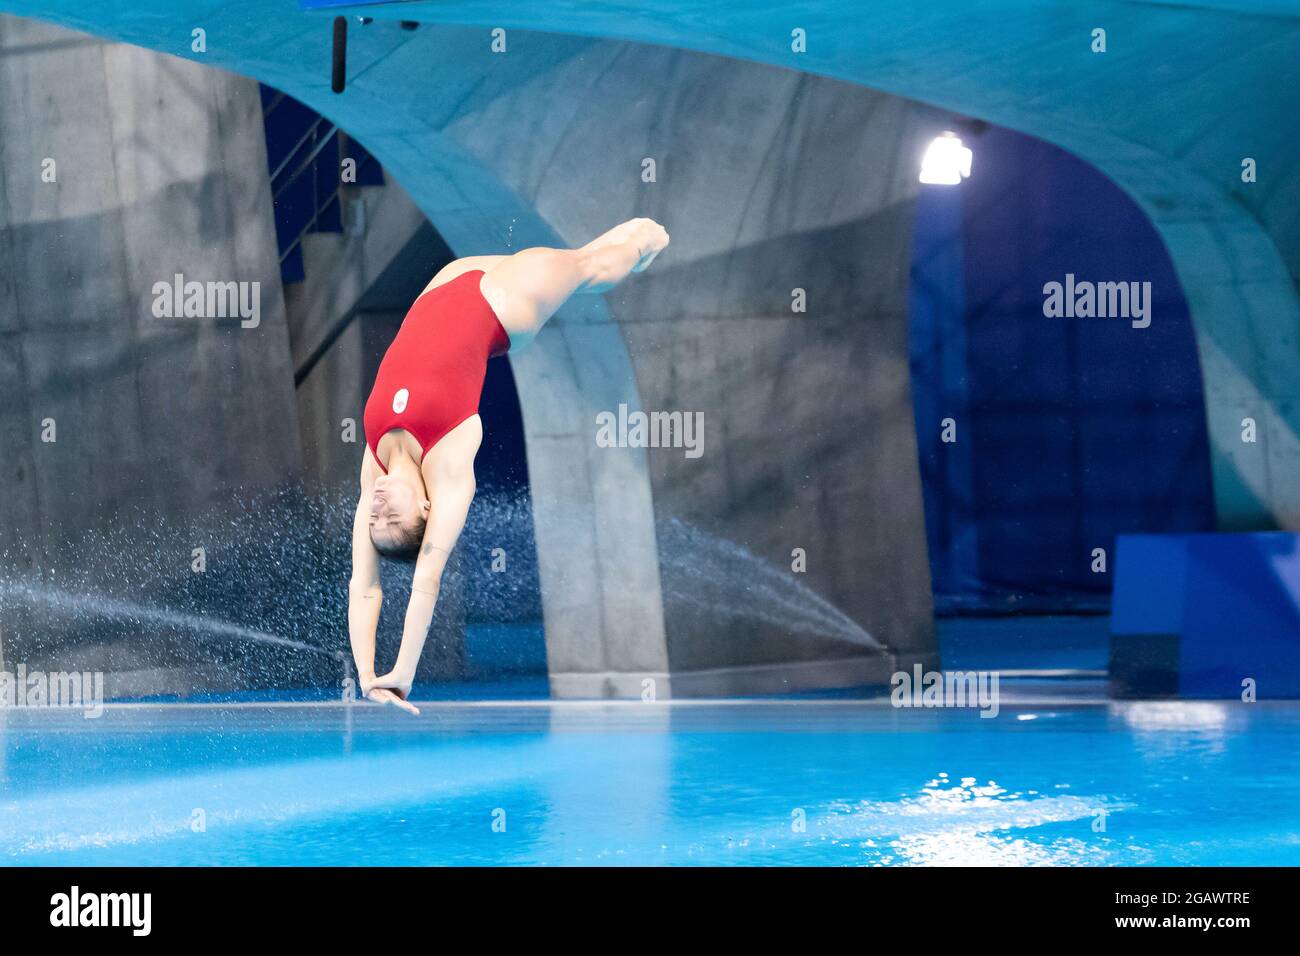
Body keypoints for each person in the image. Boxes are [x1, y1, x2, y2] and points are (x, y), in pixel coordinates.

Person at [348, 218, 670, 713]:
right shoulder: (449, 466)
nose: (378, 510)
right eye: (394, 519)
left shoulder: (375, 468)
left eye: (376, 520)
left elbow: (364, 586)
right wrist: (402, 673)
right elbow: (426, 579)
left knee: (583, 255)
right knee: (589, 265)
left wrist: (367, 672)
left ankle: (630, 245)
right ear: (427, 507)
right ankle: (649, 244)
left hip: (443, 285)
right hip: (502, 304)